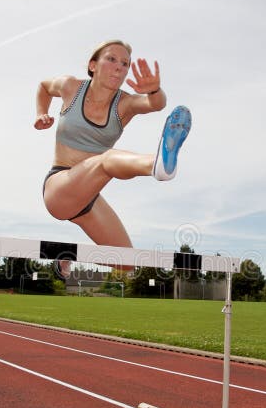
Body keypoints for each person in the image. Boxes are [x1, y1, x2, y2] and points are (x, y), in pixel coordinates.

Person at [35, 39, 191, 278]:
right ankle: (156, 164)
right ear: (93, 65)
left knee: (127, 262)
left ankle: (67, 260)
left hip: (88, 197)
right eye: (111, 59)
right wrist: (41, 113)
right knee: (106, 160)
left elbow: (155, 104)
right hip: (59, 187)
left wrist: (154, 90)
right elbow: (44, 87)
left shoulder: (125, 104)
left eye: (125, 63)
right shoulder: (70, 87)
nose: (119, 66)